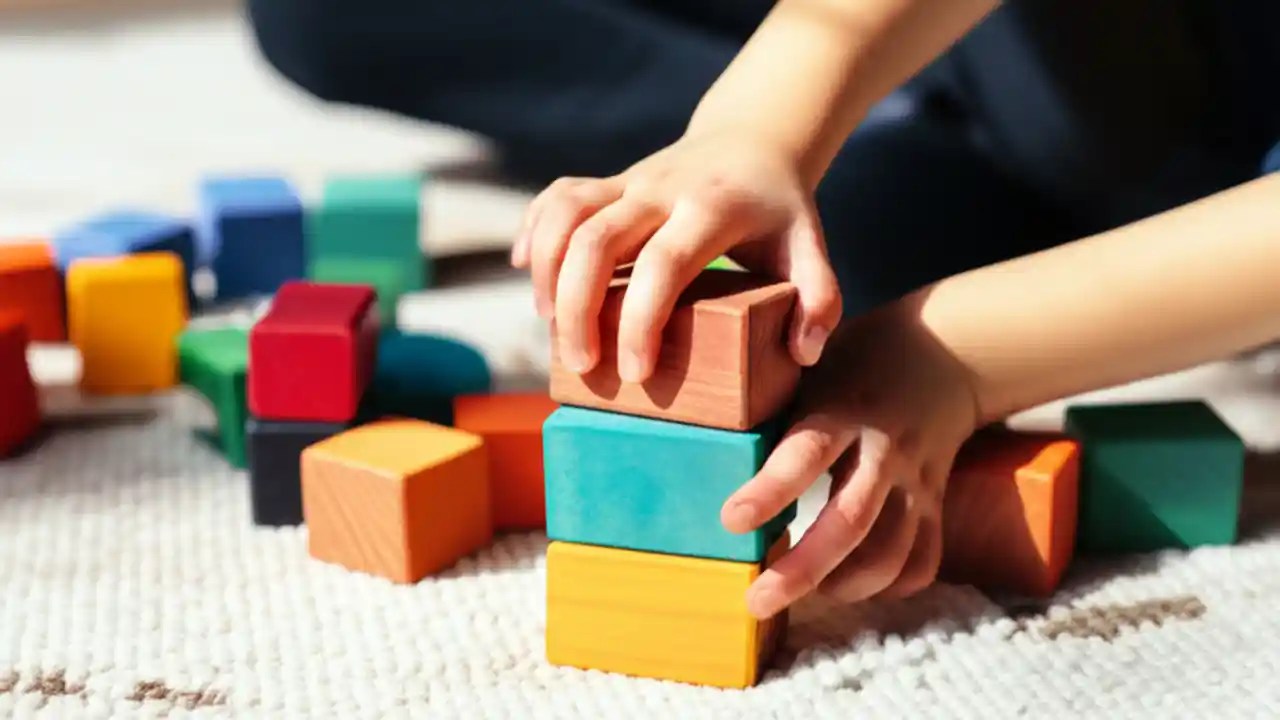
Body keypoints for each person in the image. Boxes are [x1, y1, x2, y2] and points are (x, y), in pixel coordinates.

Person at [249, 0, 1280, 618]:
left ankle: (881, 127)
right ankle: (852, 114)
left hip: (1201, 207)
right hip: (1012, 49)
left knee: (815, 342)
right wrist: (759, 117)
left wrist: (959, 358)